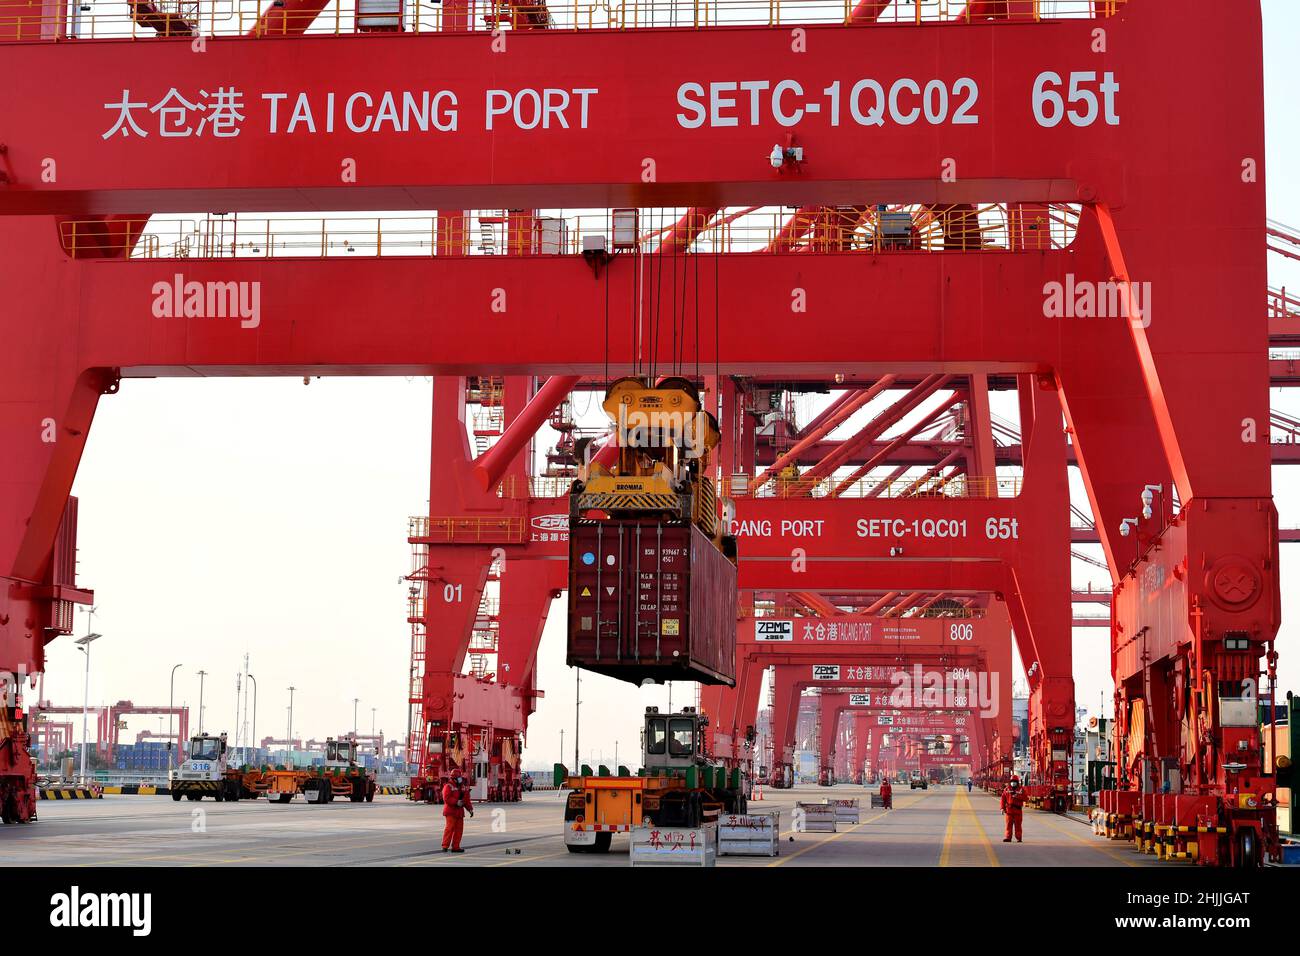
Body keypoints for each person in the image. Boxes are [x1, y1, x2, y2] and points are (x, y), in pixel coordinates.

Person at [441, 772, 475, 853]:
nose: (461, 779)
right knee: (449, 829)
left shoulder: (462, 787)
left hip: (459, 812)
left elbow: (466, 799)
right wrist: (456, 802)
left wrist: (470, 809)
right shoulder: (448, 786)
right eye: (459, 777)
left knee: (459, 830)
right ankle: (445, 846)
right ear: (454, 778)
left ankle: (456, 847)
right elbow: (446, 798)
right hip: (451, 811)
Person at [1000, 776, 1025, 843]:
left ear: (1017, 782)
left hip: (1017, 811)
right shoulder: (1006, 789)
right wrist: (1002, 808)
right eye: (1012, 782)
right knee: (1008, 825)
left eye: (1014, 782)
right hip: (1009, 811)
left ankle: (1019, 838)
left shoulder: (1021, 789)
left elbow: (1026, 798)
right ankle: (1008, 838)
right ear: (1010, 782)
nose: (1013, 783)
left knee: (1018, 826)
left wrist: (1017, 796)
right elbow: (1003, 799)